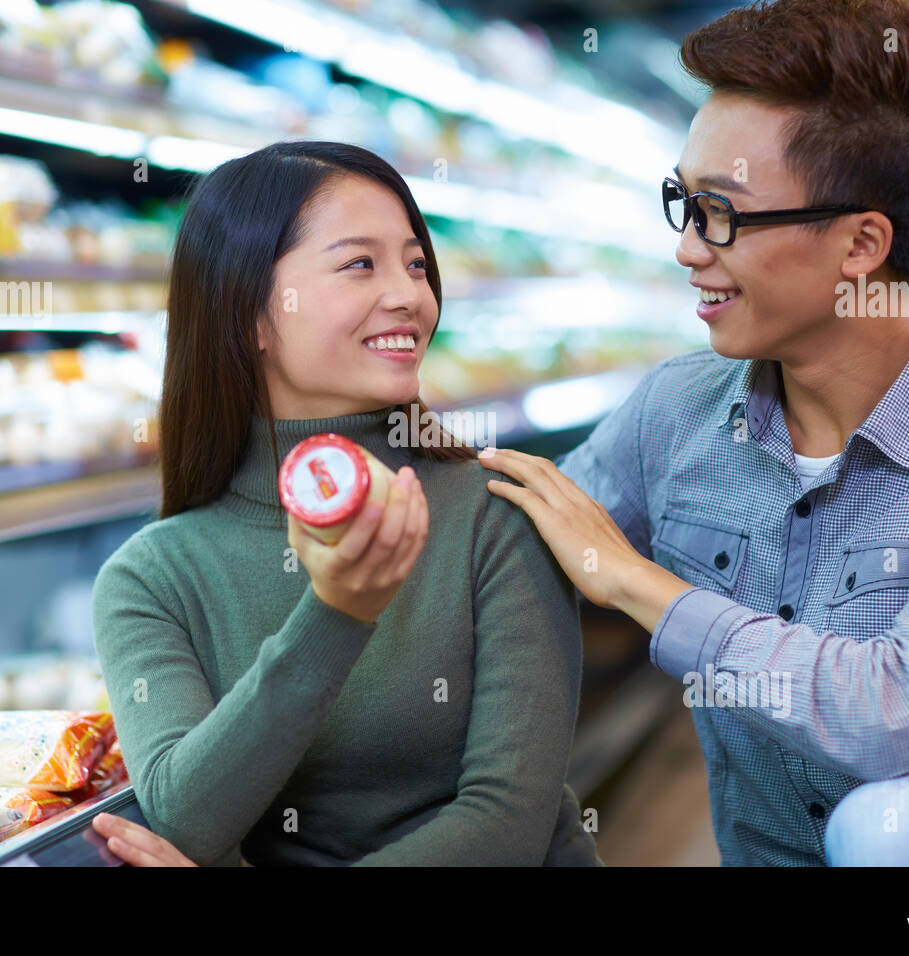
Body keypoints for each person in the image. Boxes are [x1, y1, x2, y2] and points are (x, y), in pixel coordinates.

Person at [477, 0, 909, 866]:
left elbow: (889, 720)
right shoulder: (675, 411)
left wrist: (632, 579)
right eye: (681, 204)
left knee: (892, 830)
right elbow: (499, 538)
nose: (689, 249)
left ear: (862, 244)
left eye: (721, 213)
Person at [89, 140, 600, 866]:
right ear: (248, 316)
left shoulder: (496, 513)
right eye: (361, 263)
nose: (409, 295)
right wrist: (336, 615)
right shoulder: (152, 578)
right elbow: (185, 821)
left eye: (416, 263)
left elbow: (506, 826)